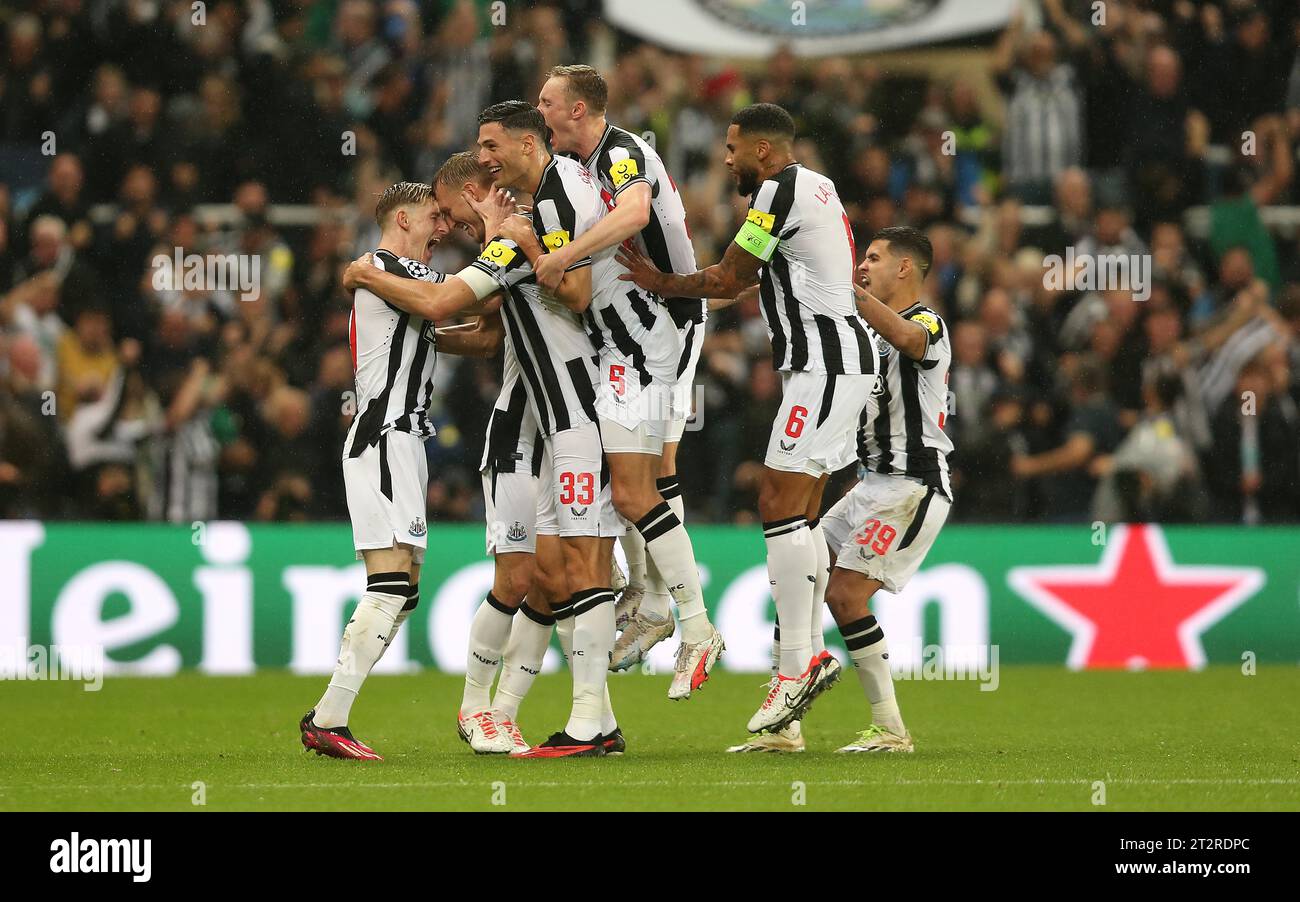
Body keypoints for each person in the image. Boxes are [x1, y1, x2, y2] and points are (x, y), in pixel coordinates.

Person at [617, 102, 878, 735]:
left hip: (826, 364)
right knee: (801, 514)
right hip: (830, 364)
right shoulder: (816, 186)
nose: (727, 159)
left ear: (763, 151)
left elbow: (730, 275)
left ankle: (798, 664)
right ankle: (793, 701)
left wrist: (656, 281)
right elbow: (745, 279)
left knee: (776, 501)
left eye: (733, 149)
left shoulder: (781, 190)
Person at [536, 64, 722, 678]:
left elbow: (638, 211)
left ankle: (669, 607)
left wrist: (564, 252)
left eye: (549, 103)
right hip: (631, 334)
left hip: (669, 323)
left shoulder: (620, 151)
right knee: (632, 479)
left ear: (580, 111)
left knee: (651, 473)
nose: (542, 113)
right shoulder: (577, 167)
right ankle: (654, 601)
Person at [300, 181, 454, 761]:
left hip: (404, 440)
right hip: (385, 434)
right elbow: (474, 297)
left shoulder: (383, 276)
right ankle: (328, 718)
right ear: (404, 219)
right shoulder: (386, 265)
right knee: (389, 585)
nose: (443, 229)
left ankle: (329, 713)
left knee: (405, 590)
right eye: (435, 218)